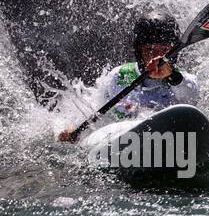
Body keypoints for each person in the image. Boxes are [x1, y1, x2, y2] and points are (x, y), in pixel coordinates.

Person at [58, 10, 199, 142]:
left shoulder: (185, 81)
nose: (157, 56)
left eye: (163, 49)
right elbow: (93, 108)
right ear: (139, 52)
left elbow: (191, 99)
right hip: (127, 143)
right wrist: (74, 130)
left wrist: (171, 75)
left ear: (174, 51)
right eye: (149, 49)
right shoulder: (118, 76)